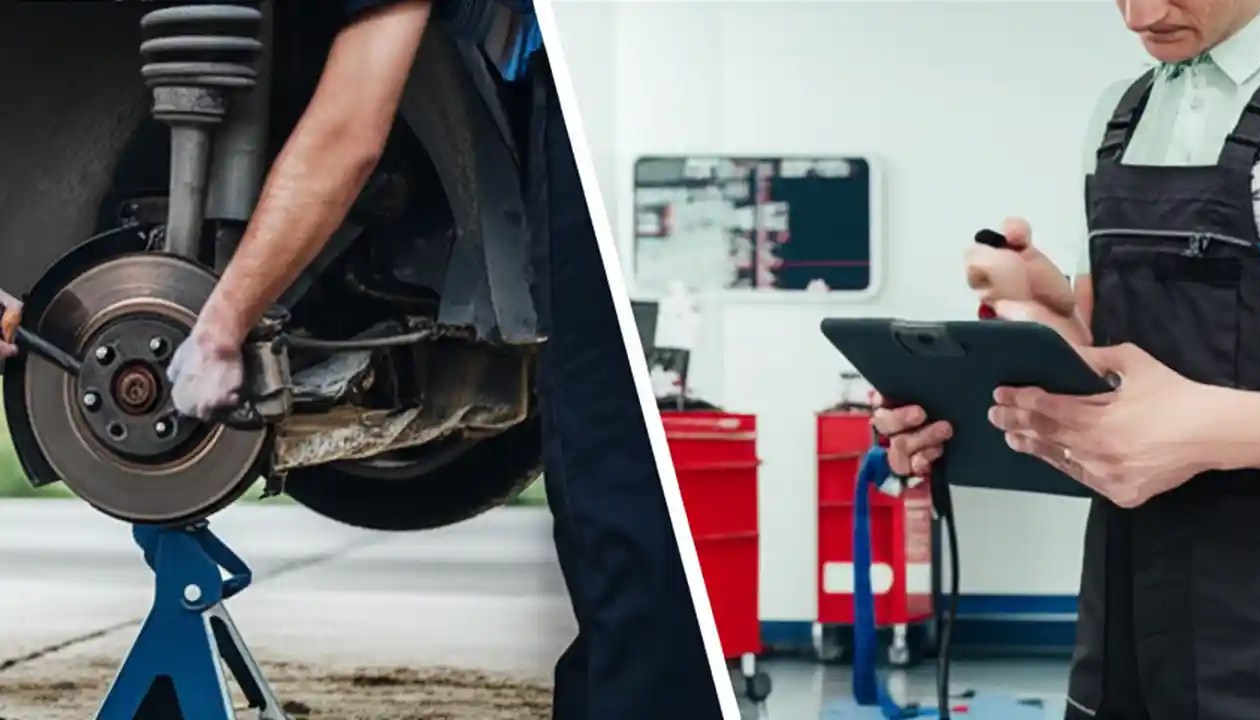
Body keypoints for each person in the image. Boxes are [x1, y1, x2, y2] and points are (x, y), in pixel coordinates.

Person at [0, 2, 721, 718]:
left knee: (622, 517)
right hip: (558, 98)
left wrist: (221, 328)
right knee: (617, 527)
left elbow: (349, 137)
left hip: (570, 114)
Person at [875, 0, 1260, 717]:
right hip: (1127, 593)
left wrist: (1208, 431)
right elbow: (1109, 354)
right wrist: (1041, 318)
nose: (1140, 15)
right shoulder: (1121, 114)